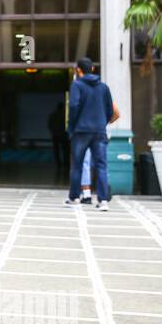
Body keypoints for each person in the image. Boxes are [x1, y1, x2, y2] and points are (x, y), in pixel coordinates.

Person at [64, 57, 115, 211]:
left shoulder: (77, 85)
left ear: (78, 70)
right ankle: (103, 200)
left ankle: (74, 198)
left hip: (81, 131)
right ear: (92, 69)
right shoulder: (103, 87)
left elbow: (73, 106)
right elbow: (110, 110)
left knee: (77, 165)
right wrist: (101, 124)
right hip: (99, 131)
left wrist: (71, 127)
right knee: (101, 165)